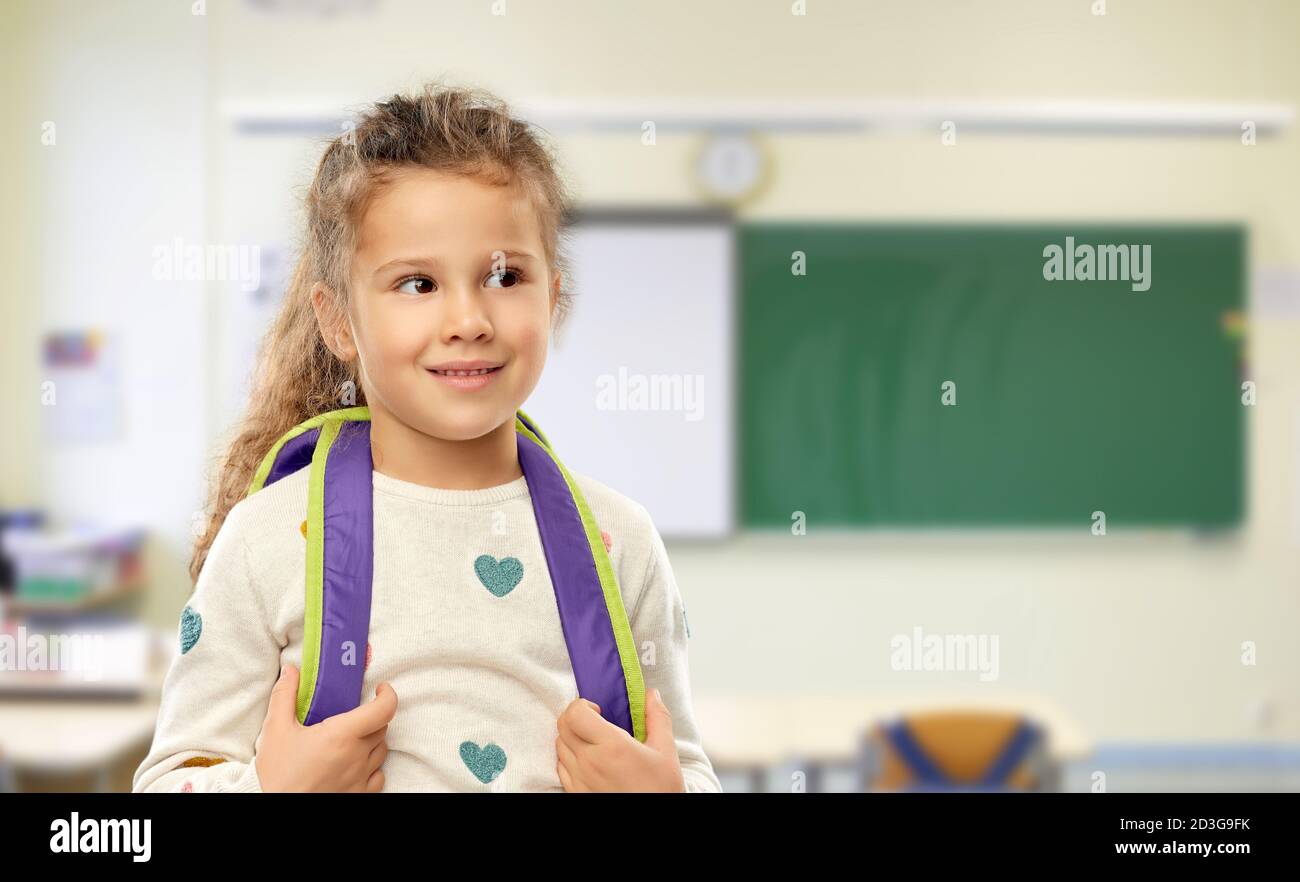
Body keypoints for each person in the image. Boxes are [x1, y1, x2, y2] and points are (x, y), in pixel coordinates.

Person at [132, 82, 721, 793]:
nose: (468, 318)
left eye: (504, 275)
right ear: (338, 321)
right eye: (417, 284)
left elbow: (687, 767)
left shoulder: (620, 541)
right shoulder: (266, 544)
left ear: (552, 296)